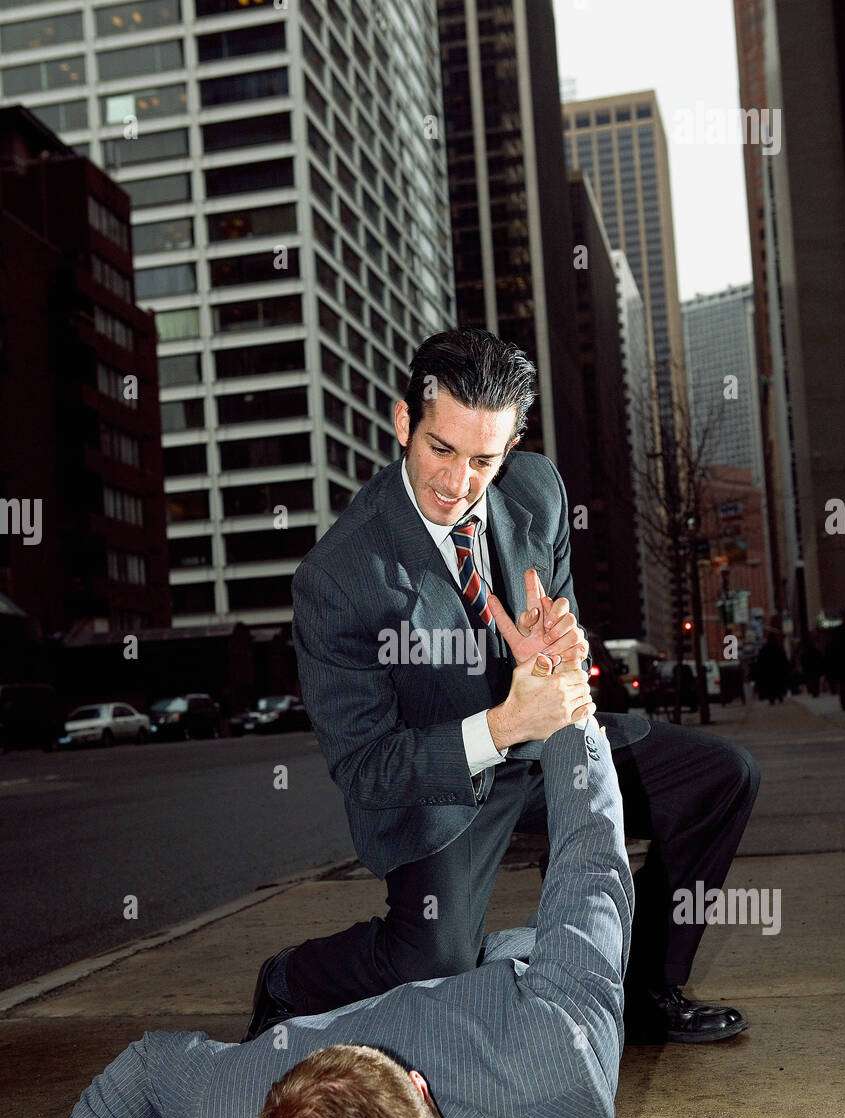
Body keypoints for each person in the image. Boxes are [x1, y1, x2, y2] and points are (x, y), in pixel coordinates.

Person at [247, 330, 757, 1046]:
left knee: (721, 776)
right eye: (441, 449)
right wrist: (504, 725)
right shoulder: (340, 577)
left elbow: (562, 628)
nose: (458, 483)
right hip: (444, 786)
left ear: (511, 446)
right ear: (405, 422)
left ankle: (641, 985)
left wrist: (564, 657)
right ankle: (290, 977)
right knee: (434, 961)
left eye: (483, 460)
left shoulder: (538, 490)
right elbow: (365, 767)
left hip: (541, 744)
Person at [1, 702, 633, 1118]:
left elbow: (591, 868)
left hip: (499, 996)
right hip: (324, 1028)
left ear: (421, 1092)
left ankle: (299, 974)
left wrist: (566, 708)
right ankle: (296, 984)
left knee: (508, 951)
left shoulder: (561, 1063)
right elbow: (146, 1072)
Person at [824, 623, 845, 711]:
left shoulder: (833, 643)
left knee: (843, 686)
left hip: (839, 667)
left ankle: (844, 704)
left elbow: (829, 657)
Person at [753, 632, 792, 705]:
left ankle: (772, 699)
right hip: (778, 671)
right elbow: (784, 660)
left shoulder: (765, 648)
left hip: (768, 672)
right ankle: (779, 696)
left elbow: (760, 661)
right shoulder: (779, 648)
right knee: (778, 684)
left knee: (770, 686)